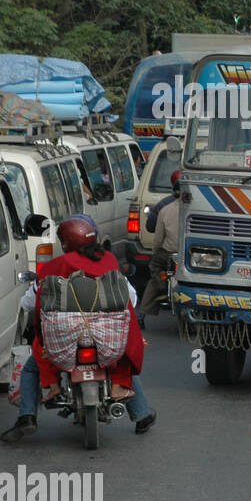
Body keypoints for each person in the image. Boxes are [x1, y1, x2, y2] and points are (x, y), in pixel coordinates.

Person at [1, 215, 155, 443]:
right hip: (106, 339)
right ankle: (140, 414)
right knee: (123, 356)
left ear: (64, 243)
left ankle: (27, 416)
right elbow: (129, 298)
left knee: (33, 365)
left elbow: (30, 302)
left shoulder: (54, 266)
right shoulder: (109, 261)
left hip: (64, 341)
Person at [139, 171, 181, 320]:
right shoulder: (198, 208)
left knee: (155, 272)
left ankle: (142, 315)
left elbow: (157, 238)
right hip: (189, 256)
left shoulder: (164, 208)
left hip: (167, 254)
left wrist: (156, 251)